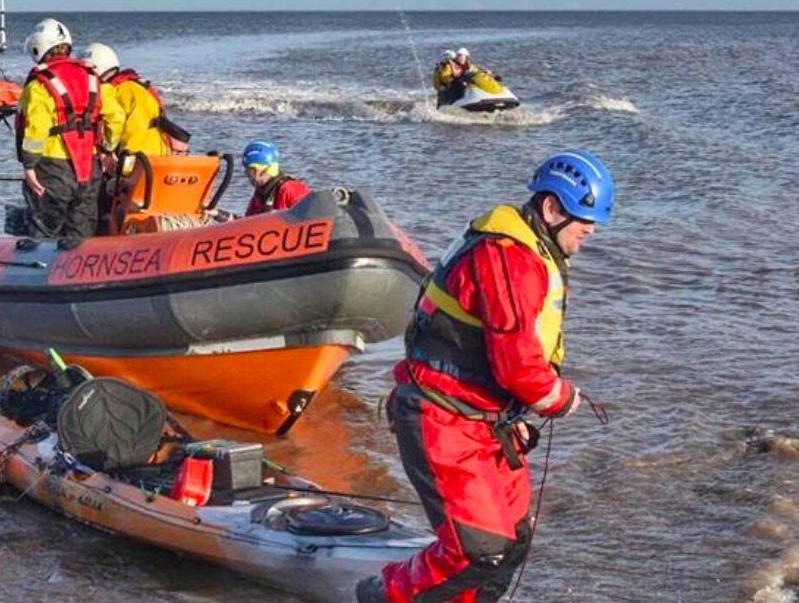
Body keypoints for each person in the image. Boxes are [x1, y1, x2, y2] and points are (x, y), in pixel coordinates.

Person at [356, 150, 615, 603]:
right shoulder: (509, 258)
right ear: (551, 209)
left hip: (486, 424)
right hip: (442, 419)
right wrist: (560, 398)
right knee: (480, 551)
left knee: (514, 540)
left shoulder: (531, 249)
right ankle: (382, 595)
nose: (590, 230)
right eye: (583, 220)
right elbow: (518, 366)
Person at [17, 19, 126, 239]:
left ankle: (42, 270)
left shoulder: (39, 85)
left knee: (44, 232)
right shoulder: (94, 79)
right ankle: (79, 269)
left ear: (39, 49)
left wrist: (29, 165)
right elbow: (117, 117)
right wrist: (106, 149)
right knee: (81, 233)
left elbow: (36, 129)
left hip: (52, 169)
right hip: (91, 169)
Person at [84, 42, 192, 161]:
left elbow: (124, 124)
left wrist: (112, 152)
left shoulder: (115, 90)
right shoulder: (135, 85)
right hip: (160, 152)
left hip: (138, 157)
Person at [241, 140, 311, 216]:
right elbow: (248, 221)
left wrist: (277, 216)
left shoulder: (291, 189)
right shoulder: (260, 194)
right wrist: (230, 218)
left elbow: (311, 217)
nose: (246, 174)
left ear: (256, 170)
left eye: (248, 170)